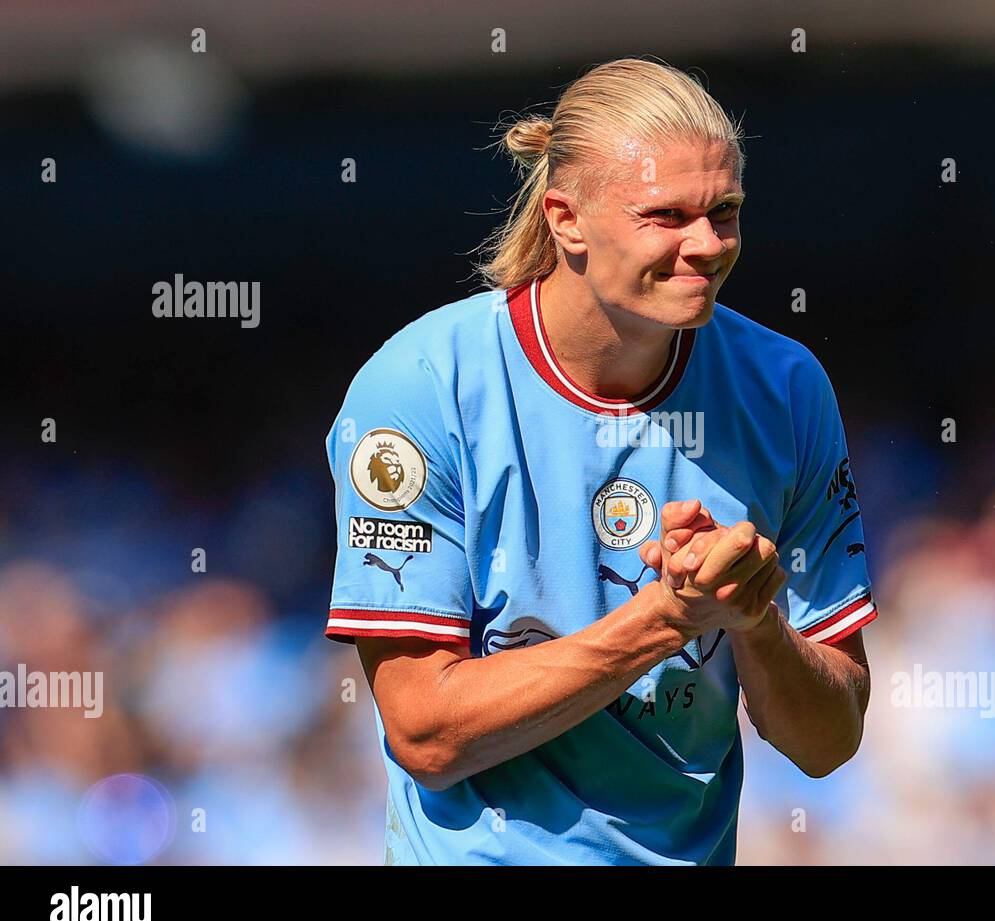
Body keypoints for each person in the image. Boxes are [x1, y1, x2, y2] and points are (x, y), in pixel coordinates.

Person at [323, 57, 877, 865]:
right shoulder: (421, 388)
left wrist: (753, 618)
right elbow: (426, 734)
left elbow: (830, 742)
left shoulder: (786, 390)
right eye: (666, 215)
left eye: (724, 211)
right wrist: (665, 618)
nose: (707, 245)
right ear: (566, 219)